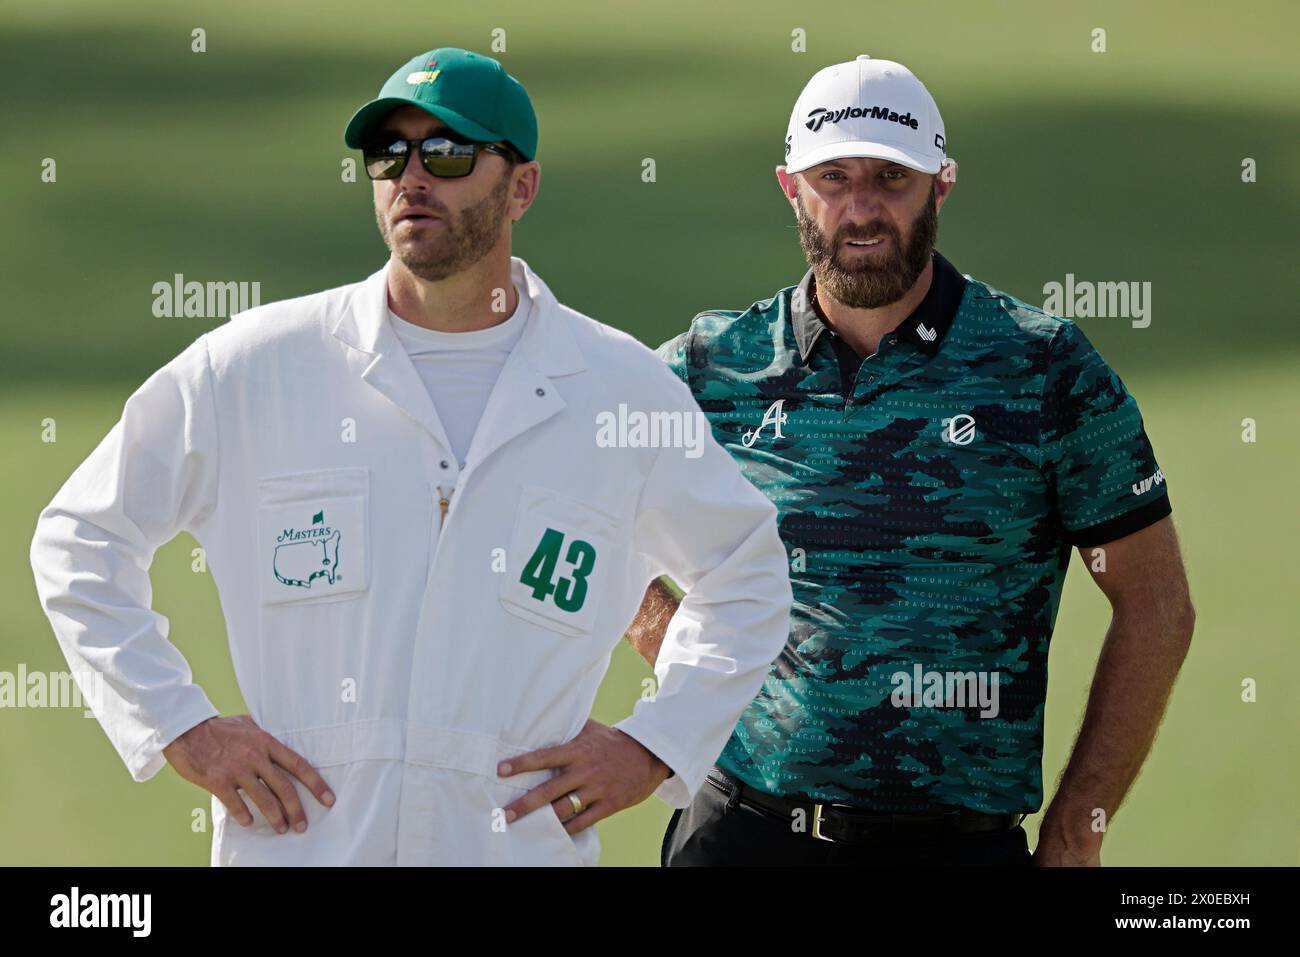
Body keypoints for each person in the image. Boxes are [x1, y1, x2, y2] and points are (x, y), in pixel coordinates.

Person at [29, 47, 792, 866]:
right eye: (388, 153)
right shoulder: (254, 368)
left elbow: (745, 574)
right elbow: (79, 538)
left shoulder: (620, 392)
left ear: (521, 187)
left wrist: (654, 746)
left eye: (450, 152)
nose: (411, 175)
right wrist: (180, 726)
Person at [628, 55, 1194, 867]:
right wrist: (673, 637)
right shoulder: (715, 362)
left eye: (892, 177)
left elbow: (1158, 605)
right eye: (834, 177)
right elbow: (574, 499)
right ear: (792, 188)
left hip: (955, 848)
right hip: (740, 835)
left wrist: (1077, 829)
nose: (861, 208)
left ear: (941, 186)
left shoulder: (1046, 370)